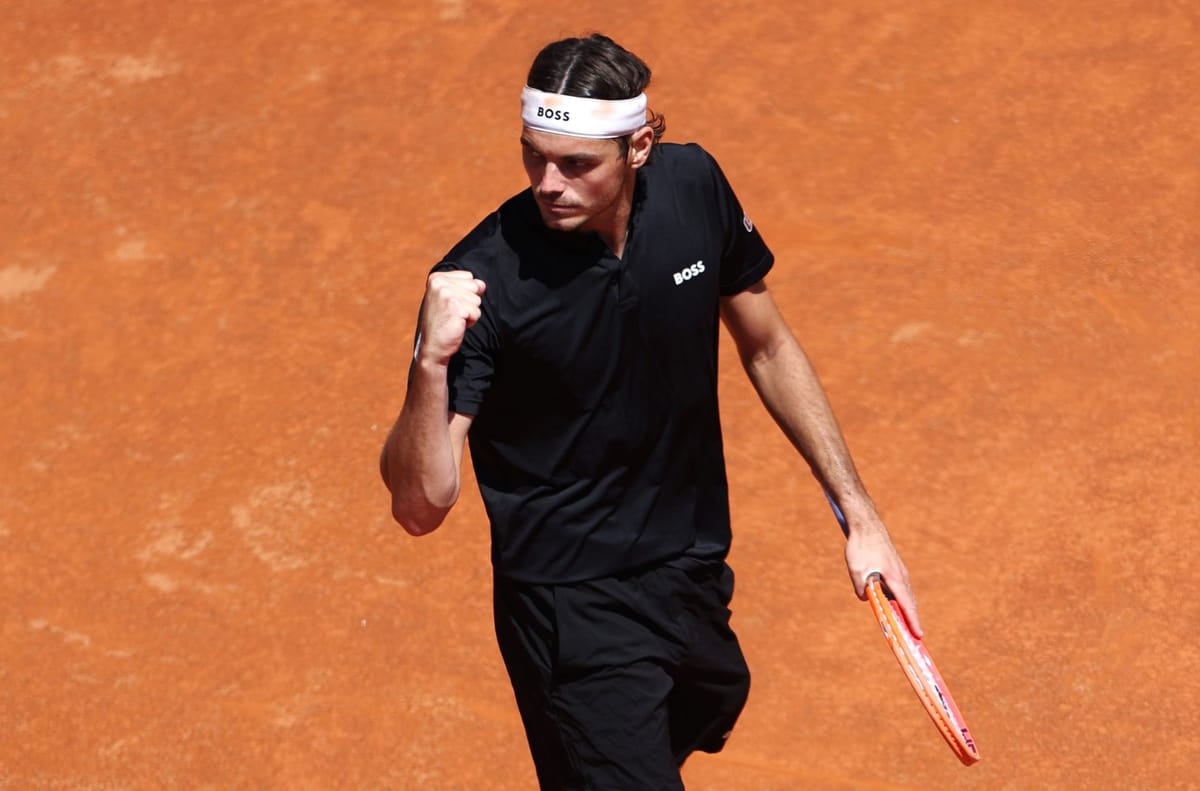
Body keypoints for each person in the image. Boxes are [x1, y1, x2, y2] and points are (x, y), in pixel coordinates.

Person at [380, 32, 922, 790]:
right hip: (571, 604)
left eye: (576, 164)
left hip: (688, 562)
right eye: (534, 155)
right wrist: (429, 364)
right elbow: (418, 504)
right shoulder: (484, 281)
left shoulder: (694, 185)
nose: (548, 183)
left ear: (639, 146)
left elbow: (765, 344)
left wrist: (860, 513)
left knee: (715, 695)